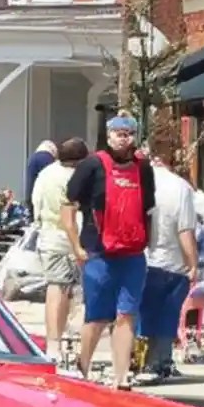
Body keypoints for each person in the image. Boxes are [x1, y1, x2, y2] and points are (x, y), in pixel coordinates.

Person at [63, 112, 156, 390]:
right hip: (98, 251)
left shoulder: (143, 168)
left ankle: (121, 375)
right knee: (98, 316)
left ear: (134, 136)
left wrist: (147, 242)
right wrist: (77, 247)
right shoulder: (91, 165)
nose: (122, 137)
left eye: (127, 133)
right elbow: (68, 209)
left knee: (127, 314)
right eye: (117, 133)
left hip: (132, 253)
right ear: (109, 134)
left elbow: (148, 209)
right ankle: (84, 367)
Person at [137, 154, 198, 381]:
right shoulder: (180, 187)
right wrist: (192, 264)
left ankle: (137, 361)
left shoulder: (137, 179)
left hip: (138, 257)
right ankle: (160, 362)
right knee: (167, 314)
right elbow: (185, 230)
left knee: (140, 312)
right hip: (171, 261)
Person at [31, 137, 88, 365]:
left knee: (56, 288)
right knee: (69, 291)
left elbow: (36, 202)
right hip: (73, 237)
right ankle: (62, 341)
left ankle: (54, 342)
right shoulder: (79, 177)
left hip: (49, 236)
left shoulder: (46, 174)